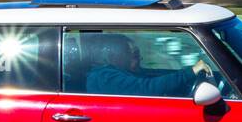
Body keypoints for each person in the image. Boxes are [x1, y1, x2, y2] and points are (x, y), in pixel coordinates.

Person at [81, 33, 213, 97]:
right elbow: (146, 88)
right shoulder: (105, 77)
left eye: (138, 54)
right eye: (133, 54)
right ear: (115, 55)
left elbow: (148, 79)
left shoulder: (118, 71)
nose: (139, 59)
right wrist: (190, 72)